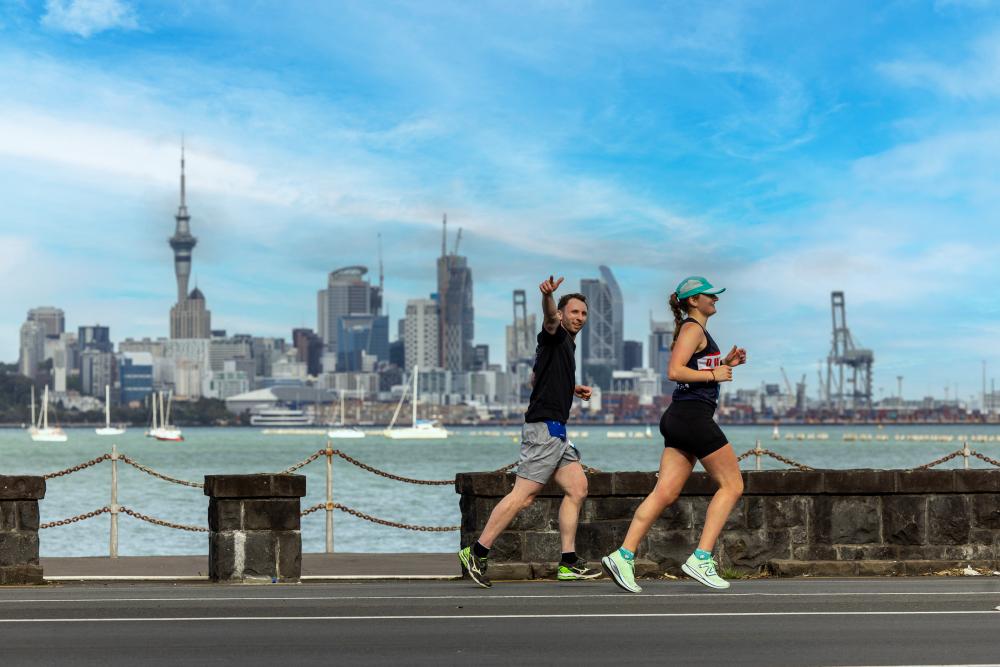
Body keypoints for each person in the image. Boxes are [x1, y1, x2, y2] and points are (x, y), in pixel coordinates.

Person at [602, 276, 747, 592]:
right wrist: (714, 374)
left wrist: (725, 363)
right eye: (711, 295)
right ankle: (702, 558)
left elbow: (693, 368)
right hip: (691, 416)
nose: (716, 300)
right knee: (733, 484)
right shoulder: (692, 328)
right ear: (693, 300)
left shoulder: (697, 330)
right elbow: (674, 371)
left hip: (681, 418)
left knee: (664, 494)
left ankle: (623, 555)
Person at [459, 275, 600, 588]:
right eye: (573, 312)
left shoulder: (565, 347)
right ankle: (477, 551)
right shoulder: (554, 334)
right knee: (523, 497)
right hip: (543, 430)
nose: (579, 317)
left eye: (583, 313)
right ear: (562, 314)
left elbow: (537, 380)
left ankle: (568, 562)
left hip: (557, 431)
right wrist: (549, 298)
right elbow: (550, 318)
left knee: (577, 488)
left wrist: (571, 387)